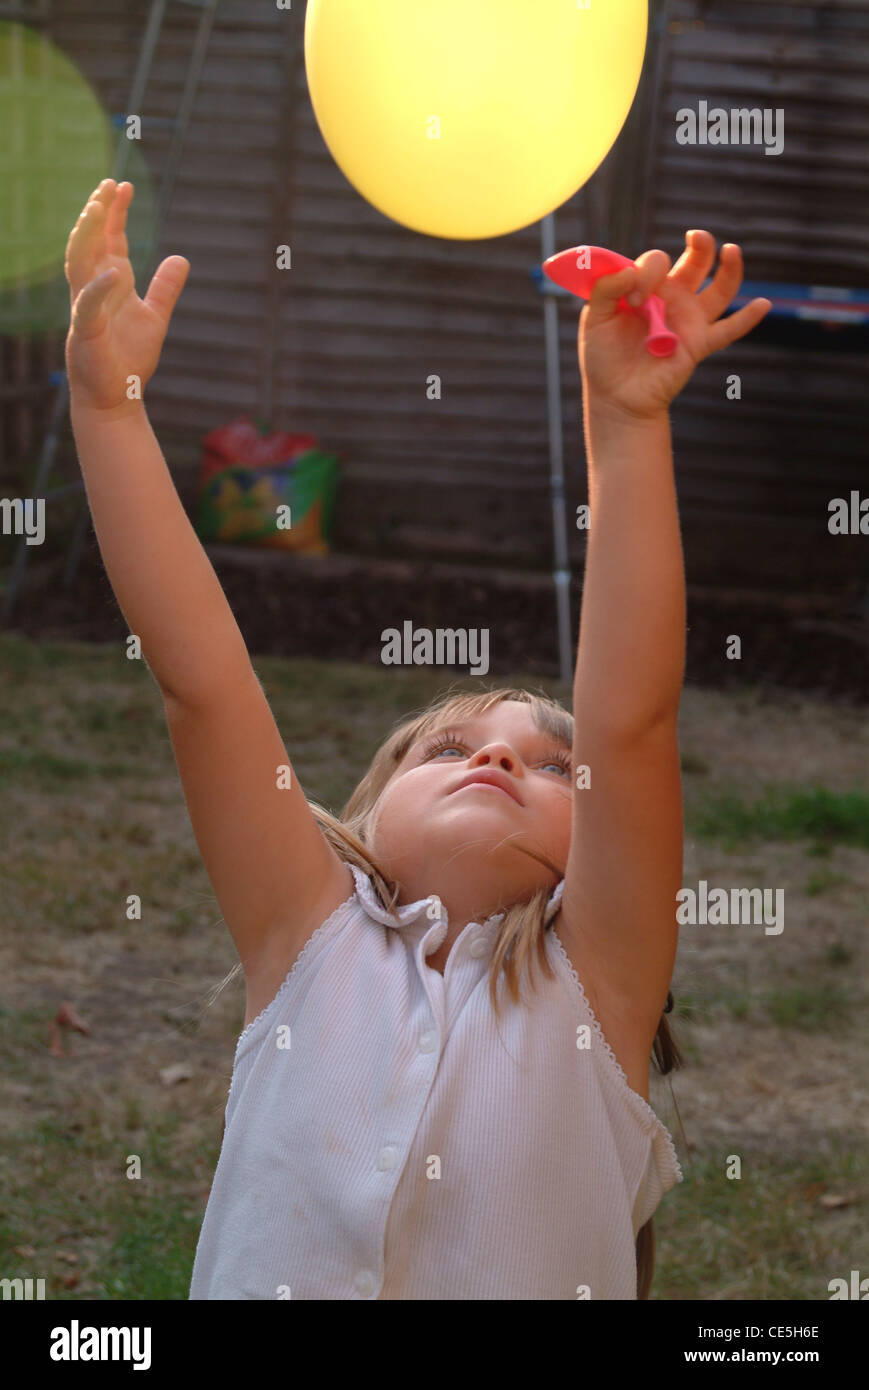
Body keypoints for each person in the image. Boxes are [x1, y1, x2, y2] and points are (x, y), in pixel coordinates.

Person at [64, 180, 771, 1299]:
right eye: (445, 749)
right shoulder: (308, 937)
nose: (496, 759)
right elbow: (202, 683)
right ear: (364, 810)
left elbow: (630, 719)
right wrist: (110, 411)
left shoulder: (597, 981)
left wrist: (625, 425)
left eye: (551, 766)